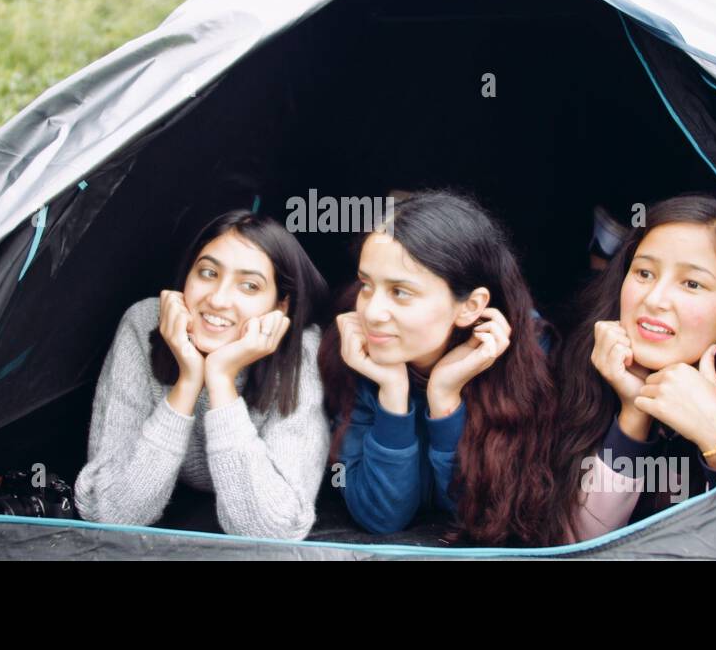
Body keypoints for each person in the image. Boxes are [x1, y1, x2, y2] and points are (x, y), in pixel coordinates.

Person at [320, 189, 639, 546]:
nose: (372, 313)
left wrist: (445, 399)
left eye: (400, 292)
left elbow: (485, 517)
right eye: (367, 285)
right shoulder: (358, 347)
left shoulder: (529, 360)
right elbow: (380, 515)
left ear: (470, 307)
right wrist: (392, 396)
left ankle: (603, 254)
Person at [74, 208, 331, 540]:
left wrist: (221, 379)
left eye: (249, 286)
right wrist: (188, 381)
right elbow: (110, 511)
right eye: (208, 273)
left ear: (280, 305)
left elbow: (272, 529)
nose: (219, 299)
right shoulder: (144, 324)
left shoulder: (301, 350)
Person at [550, 194, 716, 533]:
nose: (655, 299)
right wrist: (634, 414)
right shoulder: (576, 371)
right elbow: (578, 543)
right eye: (645, 273)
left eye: (692, 284)